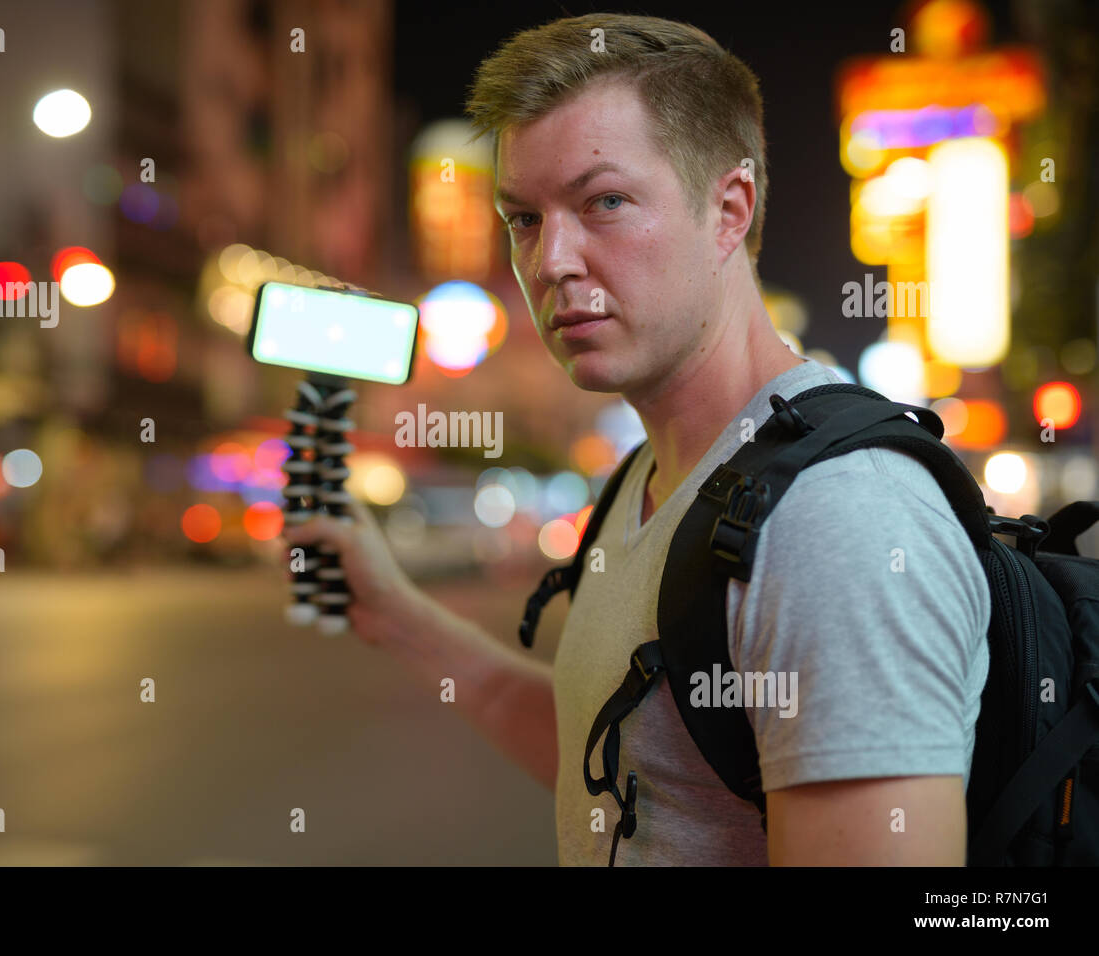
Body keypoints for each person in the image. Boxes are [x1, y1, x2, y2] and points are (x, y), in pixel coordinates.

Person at [281, 13, 990, 865]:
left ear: (730, 209)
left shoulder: (838, 521)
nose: (551, 263)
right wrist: (395, 613)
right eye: (524, 220)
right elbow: (626, 763)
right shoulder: (648, 476)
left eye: (604, 203)